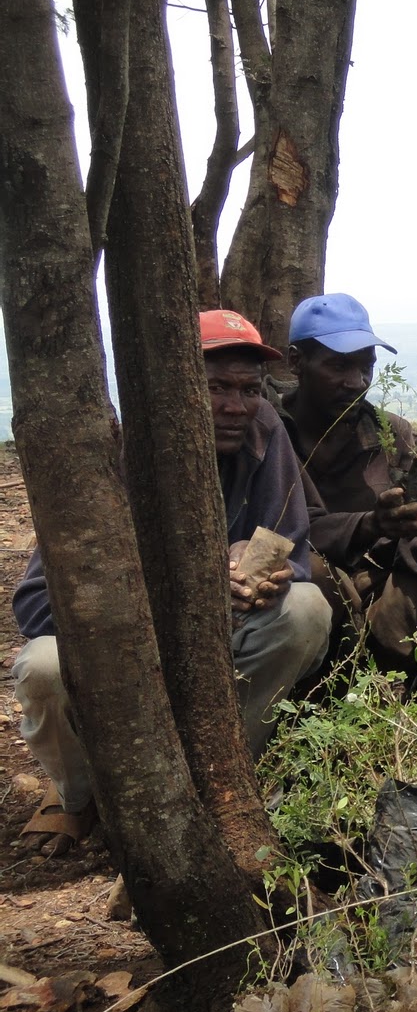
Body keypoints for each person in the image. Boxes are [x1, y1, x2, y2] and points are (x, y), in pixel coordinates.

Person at [13, 310, 332, 856]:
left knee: (306, 609)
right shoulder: (113, 450)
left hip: (219, 638)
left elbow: (292, 549)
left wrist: (270, 577)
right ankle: (80, 797)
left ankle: (224, 782)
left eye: (248, 389)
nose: (235, 405)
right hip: (118, 641)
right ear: (179, 385)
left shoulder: (262, 429)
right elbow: (36, 605)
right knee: (43, 667)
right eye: (216, 387)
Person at [277, 293, 417, 670]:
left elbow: (413, 542)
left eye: (367, 367)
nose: (357, 382)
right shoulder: (271, 429)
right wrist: (369, 524)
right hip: (298, 587)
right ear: (296, 361)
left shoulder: (388, 433)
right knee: (314, 574)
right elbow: (286, 530)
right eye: (339, 366)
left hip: (376, 584)